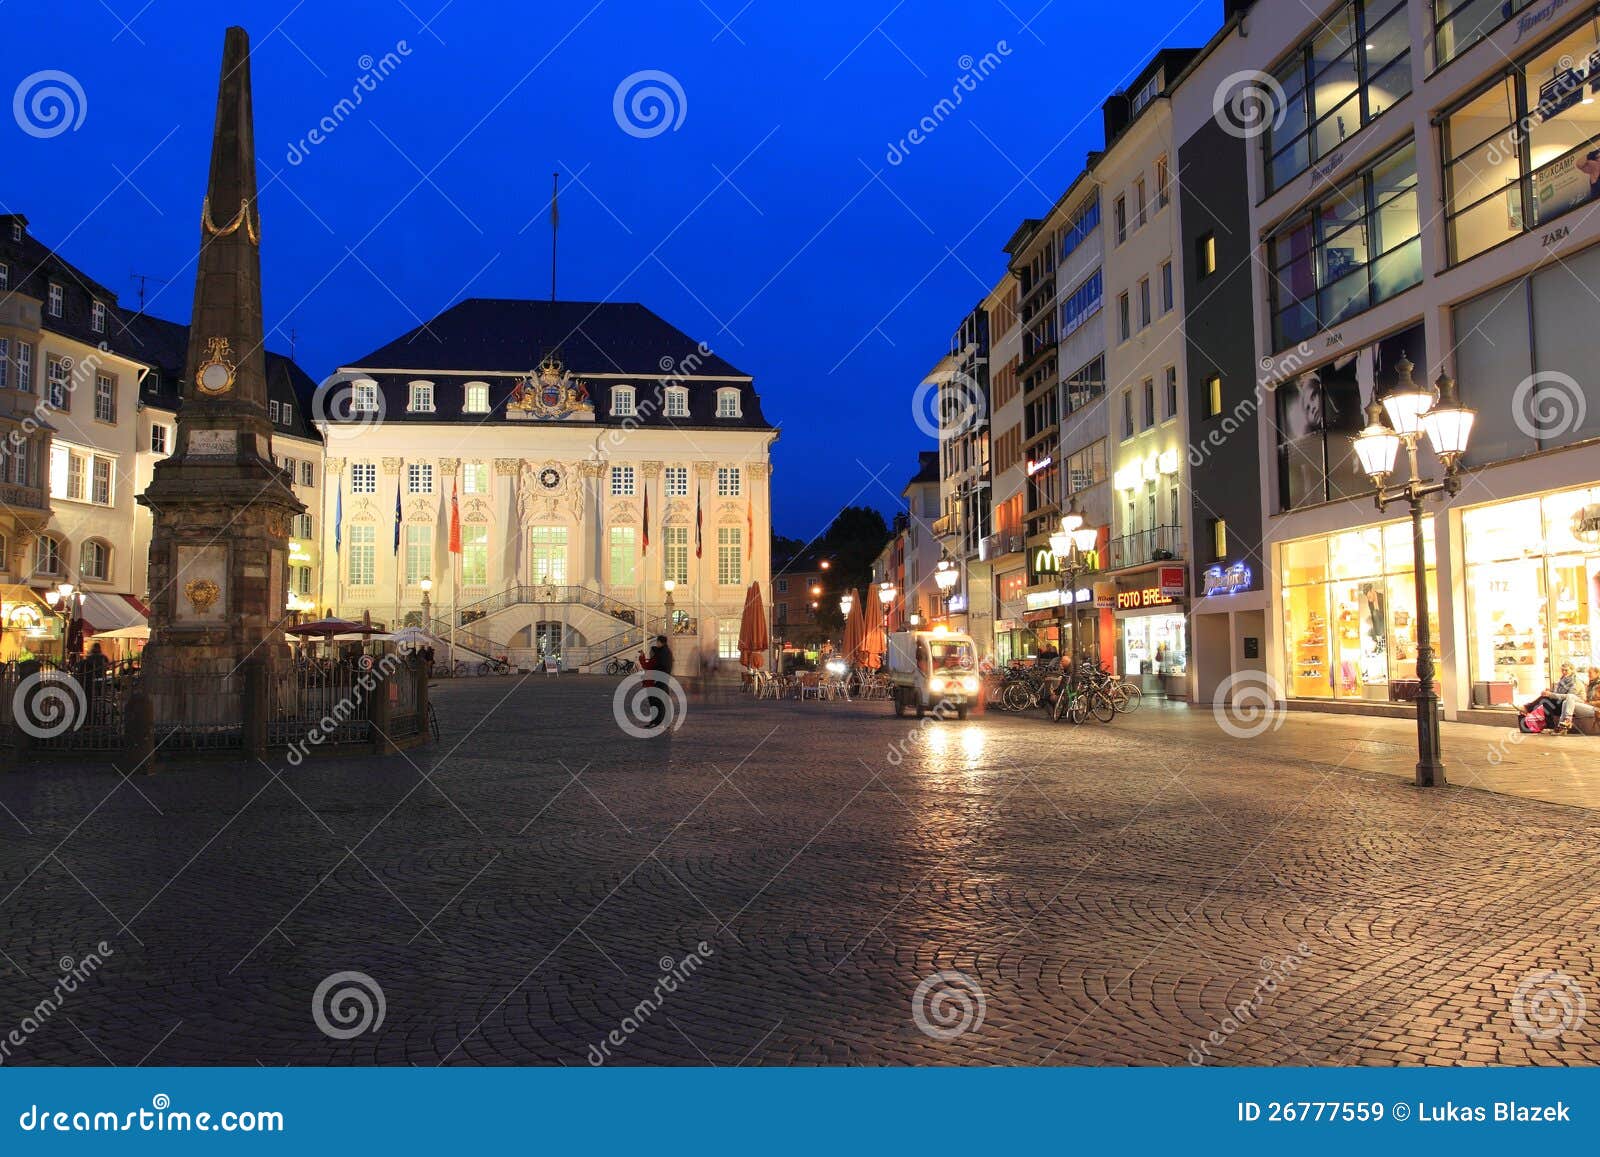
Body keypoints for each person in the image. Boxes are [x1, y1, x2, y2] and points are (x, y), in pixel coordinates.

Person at [638, 635, 675, 733]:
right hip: (662, 680)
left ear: (660, 642)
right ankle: (660, 722)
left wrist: (642, 657)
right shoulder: (666, 652)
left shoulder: (661, 654)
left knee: (657, 703)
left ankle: (658, 722)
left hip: (658, 681)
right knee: (661, 702)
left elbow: (649, 666)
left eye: (657, 642)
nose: (656, 644)